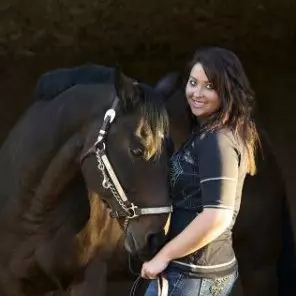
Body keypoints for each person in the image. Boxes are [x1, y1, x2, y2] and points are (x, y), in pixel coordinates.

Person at [141, 47, 260, 295]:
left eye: (209, 86)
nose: (197, 93)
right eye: (193, 83)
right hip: (194, 273)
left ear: (227, 90)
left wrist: (163, 256)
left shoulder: (218, 139)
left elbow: (217, 216)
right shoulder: (207, 133)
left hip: (194, 277)